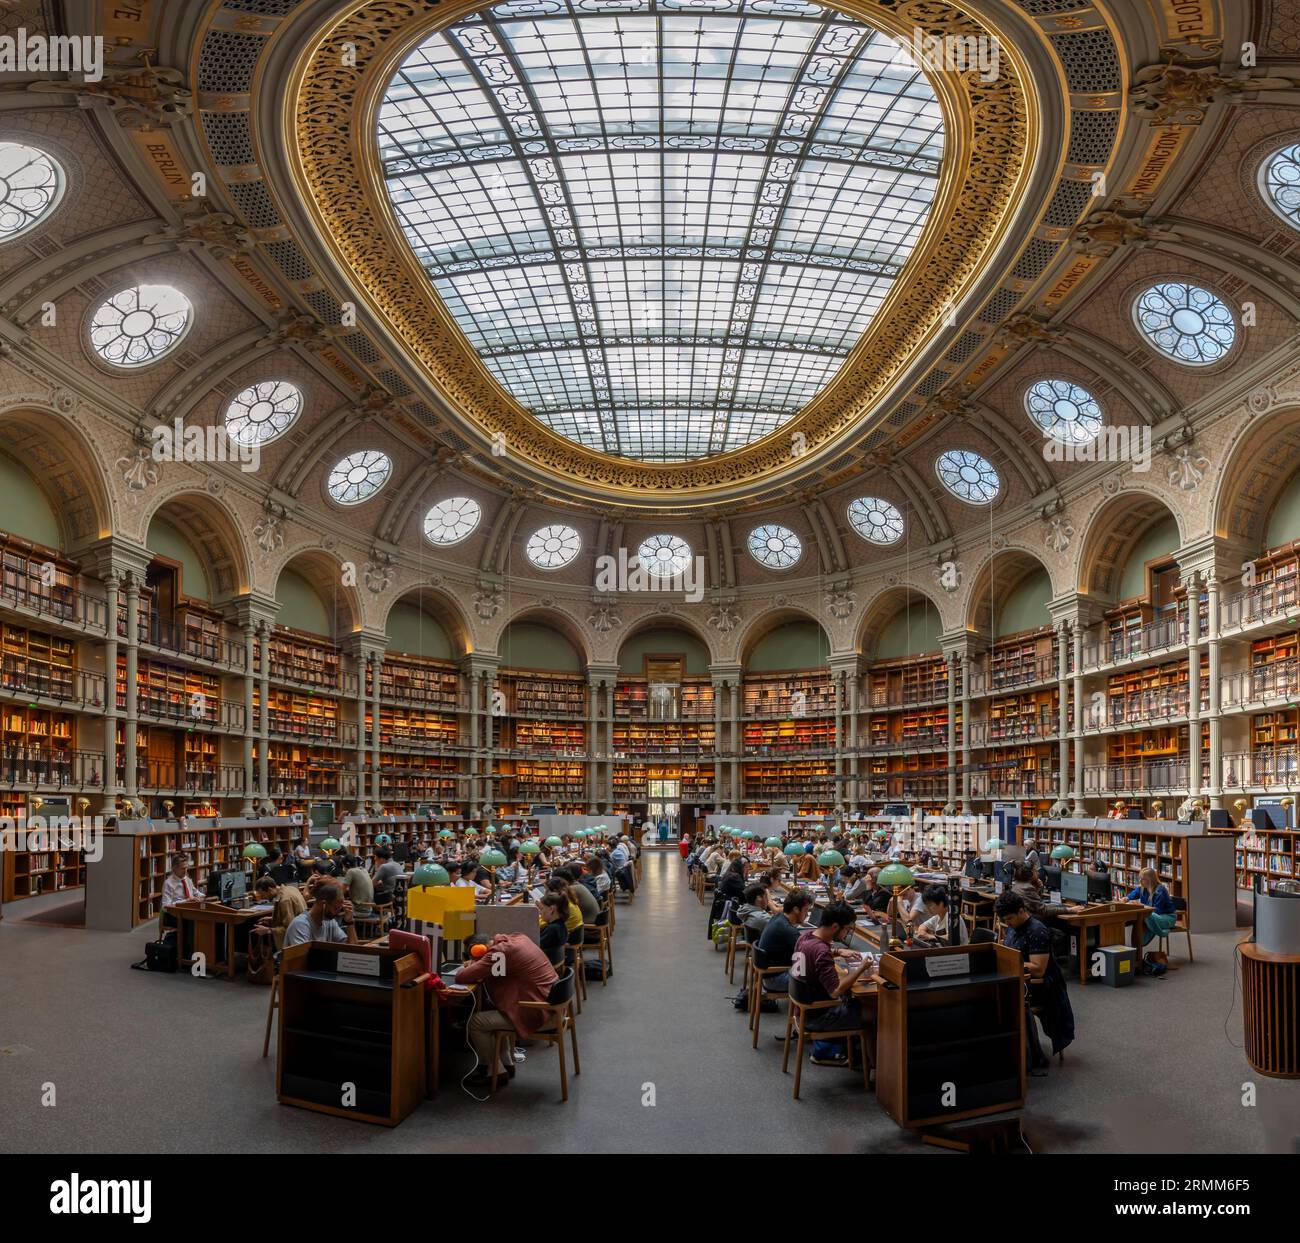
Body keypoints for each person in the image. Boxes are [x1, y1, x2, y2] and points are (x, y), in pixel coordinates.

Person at [457, 932, 559, 1089]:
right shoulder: (520, 938)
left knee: (476, 1022)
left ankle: (494, 1072)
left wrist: (475, 966)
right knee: (496, 1008)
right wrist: (480, 965)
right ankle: (507, 1064)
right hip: (553, 1008)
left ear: (478, 950)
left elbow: (461, 977)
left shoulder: (499, 953)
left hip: (541, 1014)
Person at [793, 901, 877, 1066]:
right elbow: (836, 991)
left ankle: (853, 1053)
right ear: (835, 926)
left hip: (802, 1008)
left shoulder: (806, 937)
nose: (846, 933)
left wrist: (838, 951)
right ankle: (873, 1066)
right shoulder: (822, 951)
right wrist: (861, 968)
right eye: (847, 929)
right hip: (817, 1016)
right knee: (872, 1012)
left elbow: (813, 953)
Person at [995, 890, 1074, 1063]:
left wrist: (1009, 963)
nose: (1007, 924)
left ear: (1022, 911)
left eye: (1009, 919)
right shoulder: (1014, 927)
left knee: (999, 1000)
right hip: (1019, 979)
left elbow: (1038, 969)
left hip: (1041, 987)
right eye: (1004, 920)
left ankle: (1022, 1054)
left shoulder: (1037, 931)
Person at [755, 888, 812, 995]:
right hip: (776, 980)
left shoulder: (778, 917)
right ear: (796, 909)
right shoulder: (789, 931)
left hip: (768, 975)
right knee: (820, 978)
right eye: (806, 910)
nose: (807, 914)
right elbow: (809, 955)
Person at [282, 880, 358, 947]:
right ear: (323, 904)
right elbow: (302, 961)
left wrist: (350, 921)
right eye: (336, 908)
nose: (339, 912)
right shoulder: (300, 925)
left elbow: (351, 950)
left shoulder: (330, 922)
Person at [252, 874, 306, 948]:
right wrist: (272, 919)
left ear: (270, 889)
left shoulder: (284, 900)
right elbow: (293, 914)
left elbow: (289, 928)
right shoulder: (290, 888)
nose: (263, 898)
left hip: (293, 942)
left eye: (263, 895)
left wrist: (267, 930)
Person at [1127, 867, 1177, 947]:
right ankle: (1137, 945)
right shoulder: (1142, 888)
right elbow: (1132, 895)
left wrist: (1141, 906)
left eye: (1143, 879)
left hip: (1167, 917)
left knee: (1147, 916)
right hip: (1152, 916)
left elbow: (1157, 911)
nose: (1140, 881)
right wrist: (1126, 898)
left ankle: (1160, 933)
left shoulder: (1160, 890)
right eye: (1140, 878)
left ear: (1150, 880)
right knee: (1141, 917)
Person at [537, 892, 569, 967]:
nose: (540, 912)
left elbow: (535, 948)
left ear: (551, 909)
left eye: (542, 909)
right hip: (550, 963)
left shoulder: (552, 930)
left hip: (541, 966)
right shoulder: (561, 925)